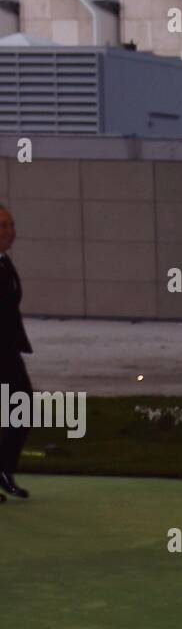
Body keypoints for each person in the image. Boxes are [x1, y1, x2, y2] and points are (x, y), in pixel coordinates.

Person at [0, 205, 33, 502]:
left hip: (8, 352)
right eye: (2, 226)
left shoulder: (4, 263)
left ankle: (4, 469)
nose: (10, 232)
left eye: (11, 224)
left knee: (21, 410)